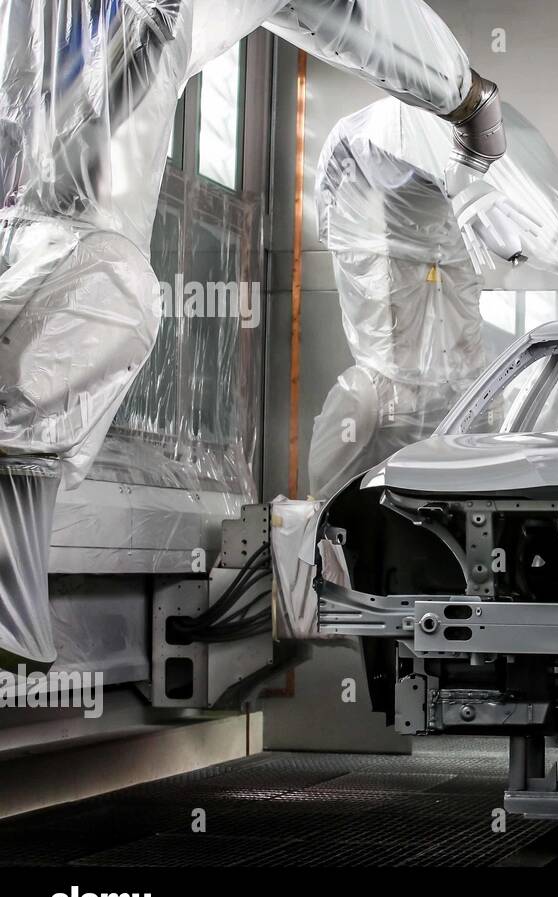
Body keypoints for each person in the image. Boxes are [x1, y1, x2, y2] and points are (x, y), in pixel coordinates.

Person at [0, 0, 520, 671]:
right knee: (99, 290)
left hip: (56, 269)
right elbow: (356, 14)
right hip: (67, 265)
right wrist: (468, 97)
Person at [308, 97, 558, 499]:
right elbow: (324, 511)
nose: (441, 312)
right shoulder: (369, 400)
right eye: (410, 285)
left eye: (456, 285)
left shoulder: (483, 394)